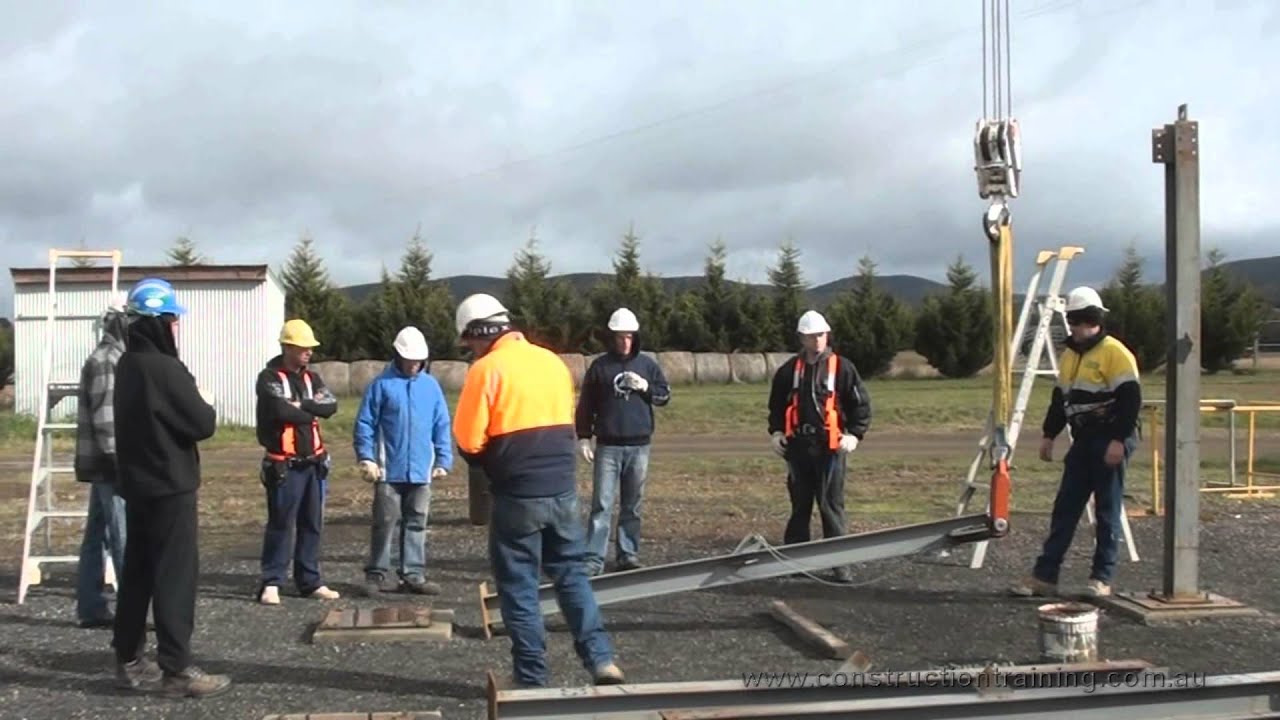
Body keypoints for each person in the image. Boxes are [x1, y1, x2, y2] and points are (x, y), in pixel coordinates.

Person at [452, 293, 623, 688]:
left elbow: (469, 440)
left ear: (480, 332)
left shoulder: (486, 370)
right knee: (572, 576)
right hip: (561, 489)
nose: (471, 350)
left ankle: (532, 679)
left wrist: (485, 459)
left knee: (519, 587)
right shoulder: (552, 362)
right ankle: (601, 659)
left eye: (470, 342)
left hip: (517, 494)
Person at [111, 277, 229, 698]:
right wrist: (203, 396)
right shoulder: (165, 369)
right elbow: (202, 422)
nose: (177, 327)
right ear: (160, 322)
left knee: (138, 573)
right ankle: (176, 670)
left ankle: (128, 658)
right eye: (173, 320)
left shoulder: (126, 365)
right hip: (171, 486)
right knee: (175, 577)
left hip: (137, 485)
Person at [1010, 286, 1141, 599]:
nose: (1080, 327)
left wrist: (1118, 440)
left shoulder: (1115, 353)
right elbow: (1061, 400)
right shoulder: (1070, 356)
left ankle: (1101, 578)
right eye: (1075, 320)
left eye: (1085, 320)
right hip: (1083, 440)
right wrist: (1048, 434)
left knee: (1107, 509)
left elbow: (1130, 400)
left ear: (1097, 320)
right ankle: (1045, 576)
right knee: (1066, 507)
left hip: (1109, 437)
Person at [766, 309, 872, 583]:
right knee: (800, 505)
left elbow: (860, 404)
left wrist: (855, 435)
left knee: (831, 505)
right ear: (801, 338)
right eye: (812, 336)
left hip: (831, 448)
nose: (817, 341)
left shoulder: (843, 368)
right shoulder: (788, 370)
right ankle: (793, 563)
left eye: (821, 335)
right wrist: (776, 432)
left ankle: (839, 564)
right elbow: (776, 404)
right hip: (798, 446)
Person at [353, 326, 453, 597]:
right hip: (388, 469)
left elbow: (441, 424)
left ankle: (413, 574)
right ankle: (377, 574)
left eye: (418, 360)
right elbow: (365, 424)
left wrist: (443, 458)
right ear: (397, 355)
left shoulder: (431, 387)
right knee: (384, 521)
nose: (414, 365)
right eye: (410, 360)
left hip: (421, 470)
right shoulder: (381, 385)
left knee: (417, 521)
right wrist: (366, 457)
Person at [575, 307, 671, 575]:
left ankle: (628, 554)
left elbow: (664, 397)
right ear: (611, 337)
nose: (624, 342)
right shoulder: (600, 367)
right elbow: (586, 405)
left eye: (629, 337)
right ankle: (594, 559)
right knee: (602, 504)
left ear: (636, 337)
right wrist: (584, 437)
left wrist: (645, 388)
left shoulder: (648, 366)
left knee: (633, 504)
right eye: (619, 337)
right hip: (607, 445)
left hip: (639, 445)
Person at [253, 318, 340, 605]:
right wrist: (309, 410)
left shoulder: (312, 378)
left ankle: (309, 580)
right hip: (284, 465)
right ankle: (272, 581)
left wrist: (300, 406)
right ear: (287, 347)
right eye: (303, 347)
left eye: (310, 348)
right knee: (281, 523)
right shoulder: (268, 377)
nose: (309, 352)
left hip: (313, 463)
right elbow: (278, 410)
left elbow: (331, 406)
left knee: (311, 523)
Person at [73, 298, 129, 629]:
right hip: (111, 465)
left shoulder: (107, 357)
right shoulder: (110, 360)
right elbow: (107, 422)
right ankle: (129, 611)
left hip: (100, 464)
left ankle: (91, 606)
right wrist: (121, 465)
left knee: (97, 534)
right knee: (122, 536)